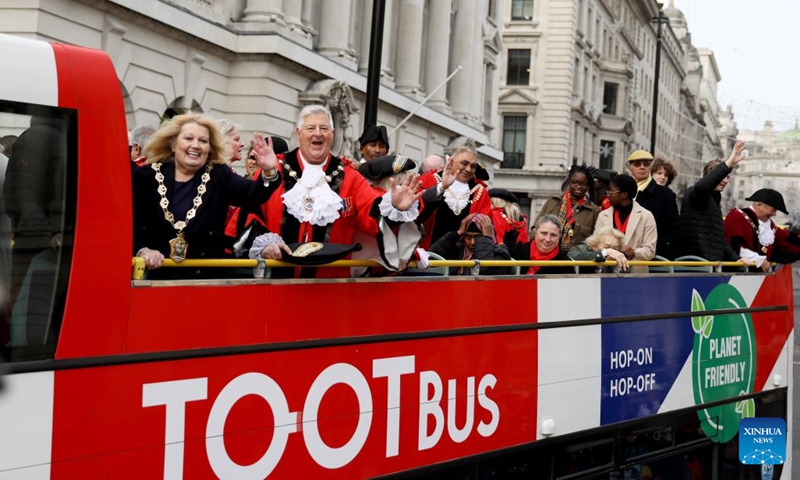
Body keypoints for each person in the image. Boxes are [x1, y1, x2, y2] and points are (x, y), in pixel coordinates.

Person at [248, 105, 423, 278]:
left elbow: (371, 211)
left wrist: (394, 206)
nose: (318, 133)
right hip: (274, 284)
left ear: (332, 134)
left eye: (324, 128)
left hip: (332, 285)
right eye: (311, 128)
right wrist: (264, 244)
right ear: (298, 133)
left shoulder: (350, 177)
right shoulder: (273, 170)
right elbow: (249, 215)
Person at [132, 114, 279, 276]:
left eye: (203, 141)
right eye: (188, 138)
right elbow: (129, 224)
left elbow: (253, 194)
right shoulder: (146, 176)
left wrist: (269, 171)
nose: (196, 145)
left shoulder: (219, 175)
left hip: (204, 279)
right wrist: (142, 250)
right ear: (173, 143)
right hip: (155, 278)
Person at [678, 141, 746, 262]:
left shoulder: (714, 200)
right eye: (722, 176)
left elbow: (719, 240)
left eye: (728, 177)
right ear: (711, 177)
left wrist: (736, 259)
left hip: (710, 265)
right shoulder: (696, 193)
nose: (725, 181)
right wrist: (728, 163)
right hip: (697, 265)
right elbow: (702, 187)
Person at [417, 144, 492, 249]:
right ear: (451, 161)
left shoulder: (480, 193)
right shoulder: (428, 180)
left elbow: (483, 230)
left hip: (460, 259)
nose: (468, 169)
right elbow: (416, 211)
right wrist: (441, 187)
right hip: (426, 252)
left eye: (473, 166)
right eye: (464, 163)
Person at [594, 174, 656, 273]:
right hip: (607, 274)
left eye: (611, 191)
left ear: (624, 195)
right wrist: (615, 250)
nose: (608, 194)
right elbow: (596, 245)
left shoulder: (646, 216)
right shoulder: (603, 215)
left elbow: (650, 251)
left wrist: (631, 252)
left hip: (636, 275)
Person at [724, 188, 800, 268]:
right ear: (759, 205)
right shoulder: (736, 217)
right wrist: (758, 259)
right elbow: (732, 246)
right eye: (773, 210)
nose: (774, 214)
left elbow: (787, 238)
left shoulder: (769, 224)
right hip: (736, 273)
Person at [626, 150, 679, 258]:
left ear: (650, 168)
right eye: (637, 164)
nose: (642, 167)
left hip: (651, 257)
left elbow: (673, 230)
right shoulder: (622, 190)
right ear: (630, 167)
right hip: (621, 255)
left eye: (646, 164)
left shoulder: (666, 195)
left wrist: (655, 251)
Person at [537, 164, 599, 251]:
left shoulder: (594, 211)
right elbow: (536, 226)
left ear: (588, 186)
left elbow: (595, 241)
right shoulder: (553, 201)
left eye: (583, 184)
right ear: (569, 182)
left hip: (575, 260)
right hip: (548, 255)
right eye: (574, 182)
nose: (578, 187)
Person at [429, 213, 512, 275]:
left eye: (478, 238)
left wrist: (485, 239)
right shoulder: (458, 250)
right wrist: (457, 233)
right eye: (468, 237)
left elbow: (484, 271)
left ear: (489, 235)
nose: (472, 243)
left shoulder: (500, 253)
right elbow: (431, 257)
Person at [506, 214, 572, 274]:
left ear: (559, 237)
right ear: (536, 232)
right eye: (544, 233)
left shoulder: (565, 264)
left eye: (553, 235)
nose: (547, 239)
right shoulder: (517, 252)